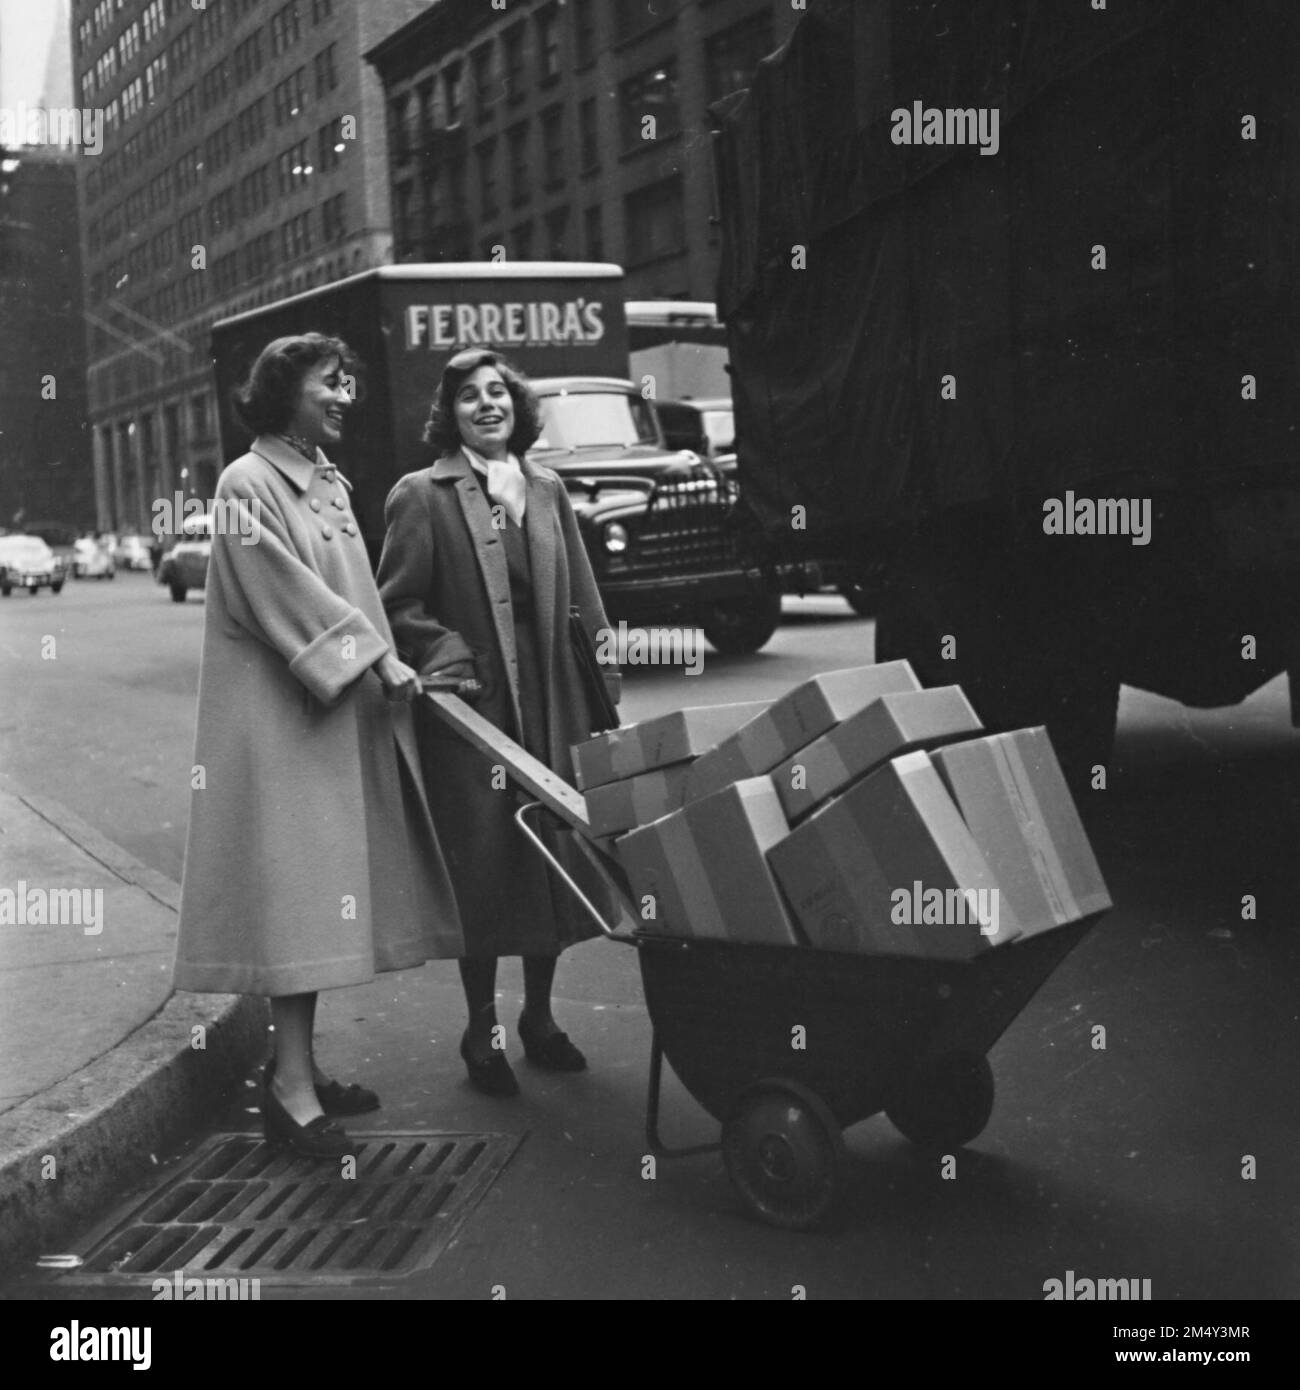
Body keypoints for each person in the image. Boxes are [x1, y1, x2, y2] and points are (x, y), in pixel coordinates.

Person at [173, 333, 463, 1156]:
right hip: (278, 730)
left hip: (323, 716)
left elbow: (351, 597)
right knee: (299, 910)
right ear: (282, 390)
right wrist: (374, 659)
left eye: (348, 385)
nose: (345, 397)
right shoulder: (245, 482)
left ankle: (295, 1069)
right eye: (330, 384)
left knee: (316, 907)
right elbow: (283, 599)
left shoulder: (321, 479)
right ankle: (291, 1094)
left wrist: (387, 660)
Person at [378, 347, 620, 1096]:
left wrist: (605, 684)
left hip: (553, 702)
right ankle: (480, 1030)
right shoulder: (422, 495)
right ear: (448, 416)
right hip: (475, 718)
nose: (487, 406)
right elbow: (396, 604)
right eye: (468, 398)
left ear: (516, 406)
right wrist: (449, 654)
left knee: (550, 864)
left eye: (497, 394)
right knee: (482, 871)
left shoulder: (545, 490)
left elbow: (585, 598)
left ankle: (538, 1020)